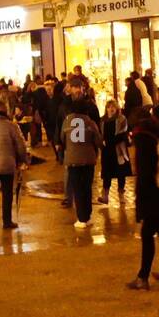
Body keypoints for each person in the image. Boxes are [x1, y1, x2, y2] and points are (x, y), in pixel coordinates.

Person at [126, 107, 159, 289]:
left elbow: (145, 173)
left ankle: (143, 278)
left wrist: (141, 202)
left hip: (152, 194)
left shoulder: (142, 138)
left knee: (148, 233)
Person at [61, 97, 103, 226]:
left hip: (73, 160)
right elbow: (98, 141)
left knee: (77, 189)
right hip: (88, 159)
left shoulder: (67, 121)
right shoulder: (90, 122)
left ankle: (81, 218)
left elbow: (62, 139)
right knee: (87, 188)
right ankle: (88, 216)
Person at [98, 99, 129, 204]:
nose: (111, 109)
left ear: (117, 108)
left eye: (113, 107)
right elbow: (99, 134)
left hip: (118, 150)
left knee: (121, 173)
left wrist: (108, 142)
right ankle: (105, 195)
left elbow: (122, 134)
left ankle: (121, 195)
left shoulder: (121, 119)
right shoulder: (102, 120)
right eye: (109, 107)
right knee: (107, 173)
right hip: (107, 151)